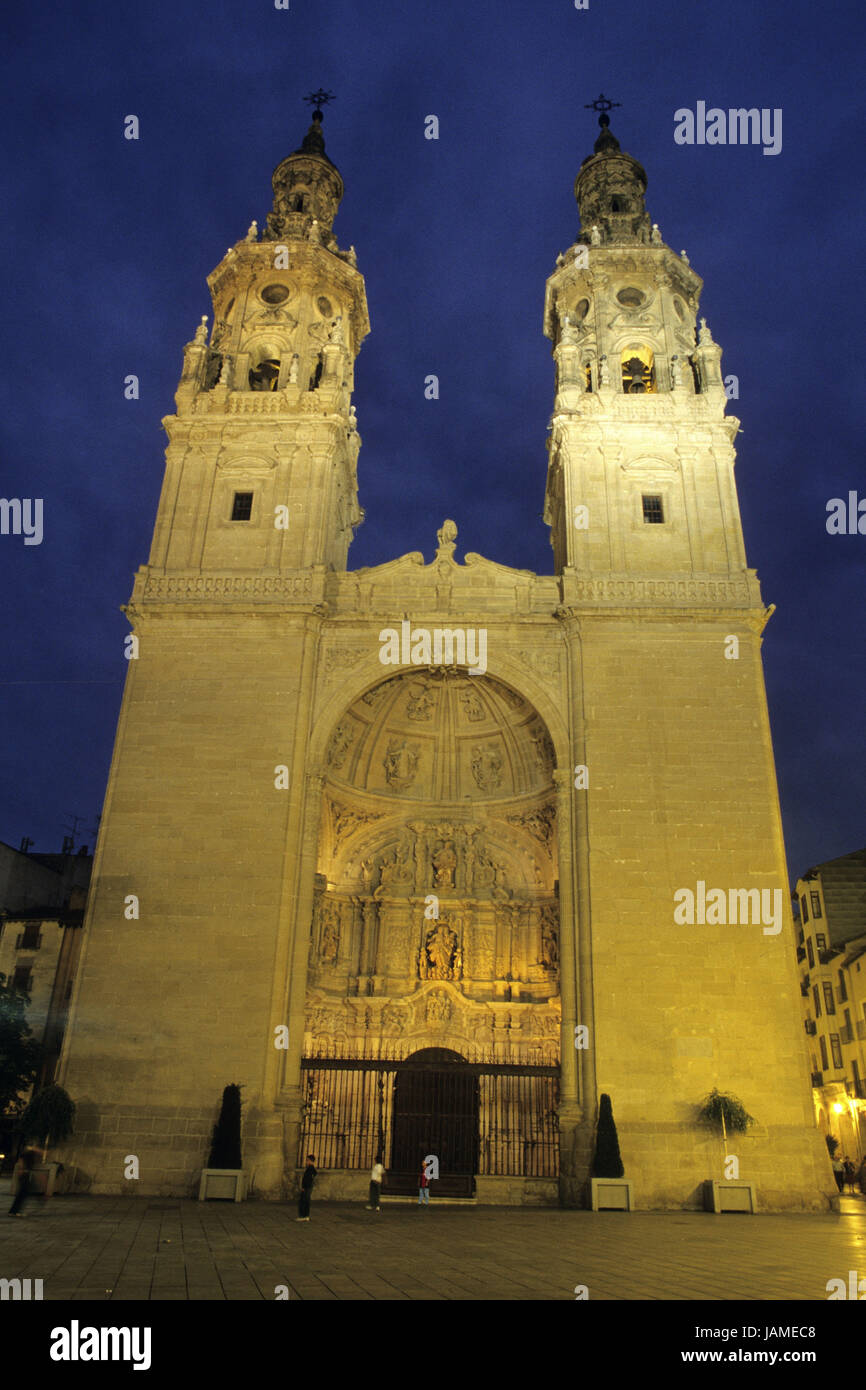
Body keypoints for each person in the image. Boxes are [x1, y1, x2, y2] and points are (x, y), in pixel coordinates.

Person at [8, 1144, 42, 1217]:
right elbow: (21, 1161)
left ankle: (14, 1211)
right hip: (25, 1174)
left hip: (26, 1174)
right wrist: (21, 1170)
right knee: (22, 1194)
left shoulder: (31, 1154)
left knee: (23, 1193)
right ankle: (14, 1211)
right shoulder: (27, 1154)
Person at [297, 1154, 316, 1221]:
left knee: (304, 1201)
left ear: (311, 1161)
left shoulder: (310, 1169)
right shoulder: (311, 1169)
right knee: (305, 1201)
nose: (306, 1162)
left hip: (307, 1187)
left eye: (307, 1160)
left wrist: (304, 1187)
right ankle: (305, 1216)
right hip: (308, 1187)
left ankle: (304, 1216)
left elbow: (307, 1179)